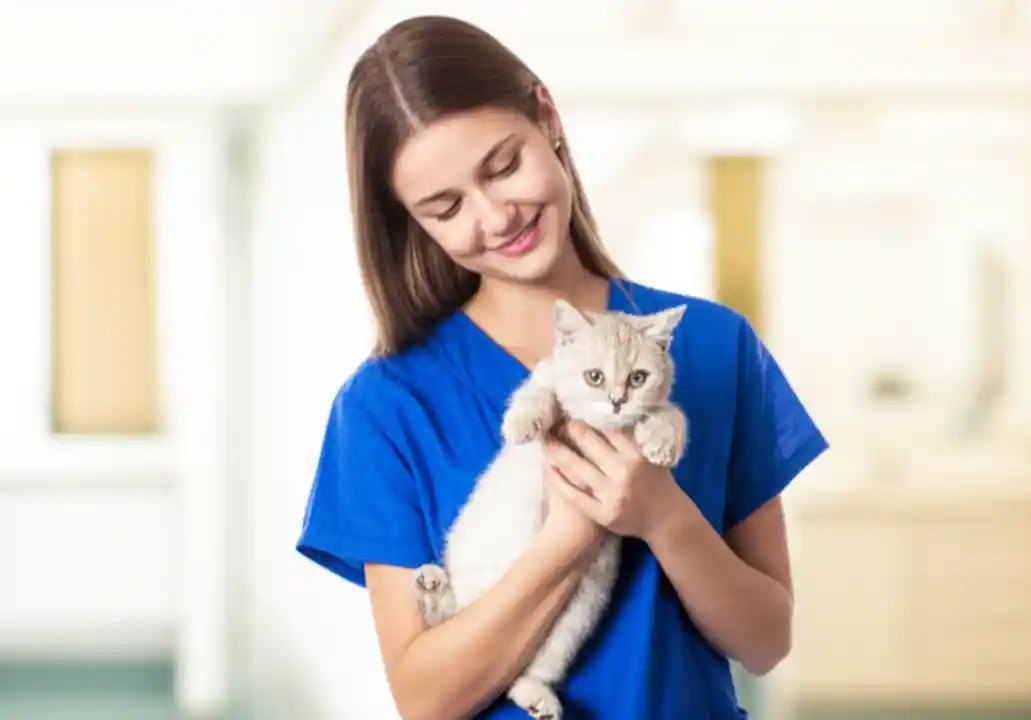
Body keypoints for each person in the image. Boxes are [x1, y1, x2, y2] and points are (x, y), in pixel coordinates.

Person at [296, 15, 827, 720]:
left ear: (546, 116)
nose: (495, 216)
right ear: (414, 223)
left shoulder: (711, 346)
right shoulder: (385, 404)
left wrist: (664, 516)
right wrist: (569, 540)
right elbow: (426, 699)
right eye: (446, 207)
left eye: (503, 165)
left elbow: (766, 640)